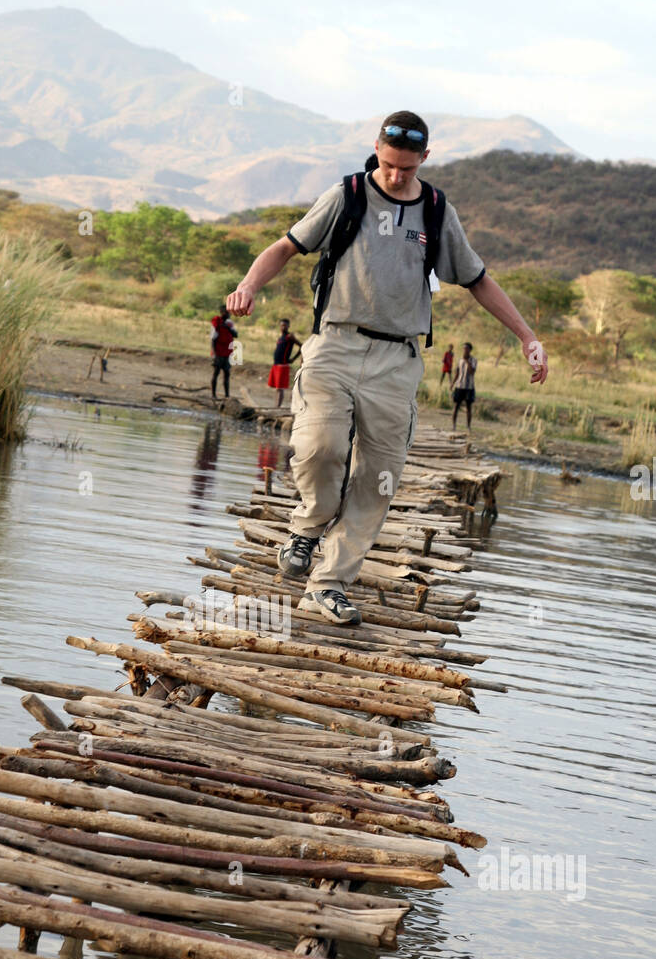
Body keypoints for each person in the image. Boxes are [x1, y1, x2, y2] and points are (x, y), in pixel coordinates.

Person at [225, 109, 548, 625]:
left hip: (398, 360)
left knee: (378, 478)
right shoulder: (347, 196)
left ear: (425, 158)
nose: (396, 175)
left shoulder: (438, 212)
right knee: (320, 448)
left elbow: (477, 279)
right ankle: (307, 526)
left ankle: (328, 583)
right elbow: (287, 247)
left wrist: (527, 336)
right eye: (389, 163)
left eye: (407, 167)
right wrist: (248, 285)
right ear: (376, 148)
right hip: (336, 345)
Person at [267, 318, 303, 406]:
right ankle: (276, 406)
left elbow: (302, 346)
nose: (283, 327)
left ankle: (277, 408)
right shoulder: (281, 337)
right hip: (276, 364)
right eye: (281, 325)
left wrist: (293, 359)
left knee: (280, 388)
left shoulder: (289, 336)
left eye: (285, 325)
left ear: (288, 326)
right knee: (277, 388)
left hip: (282, 365)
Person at [210, 304, 237, 400]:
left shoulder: (229, 324)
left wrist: (227, 327)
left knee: (227, 374)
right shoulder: (216, 322)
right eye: (227, 312)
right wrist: (215, 355)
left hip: (227, 353)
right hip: (218, 353)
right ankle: (213, 395)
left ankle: (227, 396)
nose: (229, 314)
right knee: (216, 373)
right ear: (222, 312)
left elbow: (235, 334)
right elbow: (213, 339)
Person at [452, 342, 477, 428]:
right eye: (464, 348)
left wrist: (467, 361)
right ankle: (454, 425)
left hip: (469, 387)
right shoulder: (460, 360)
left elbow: (472, 372)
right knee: (456, 406)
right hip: (459, 386)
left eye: (466, 348)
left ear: (470, 350)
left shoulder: (473, 360)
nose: (465, 350)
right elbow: (457, 373)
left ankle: (468, 426)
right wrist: (452, 383)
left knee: (468, 407)